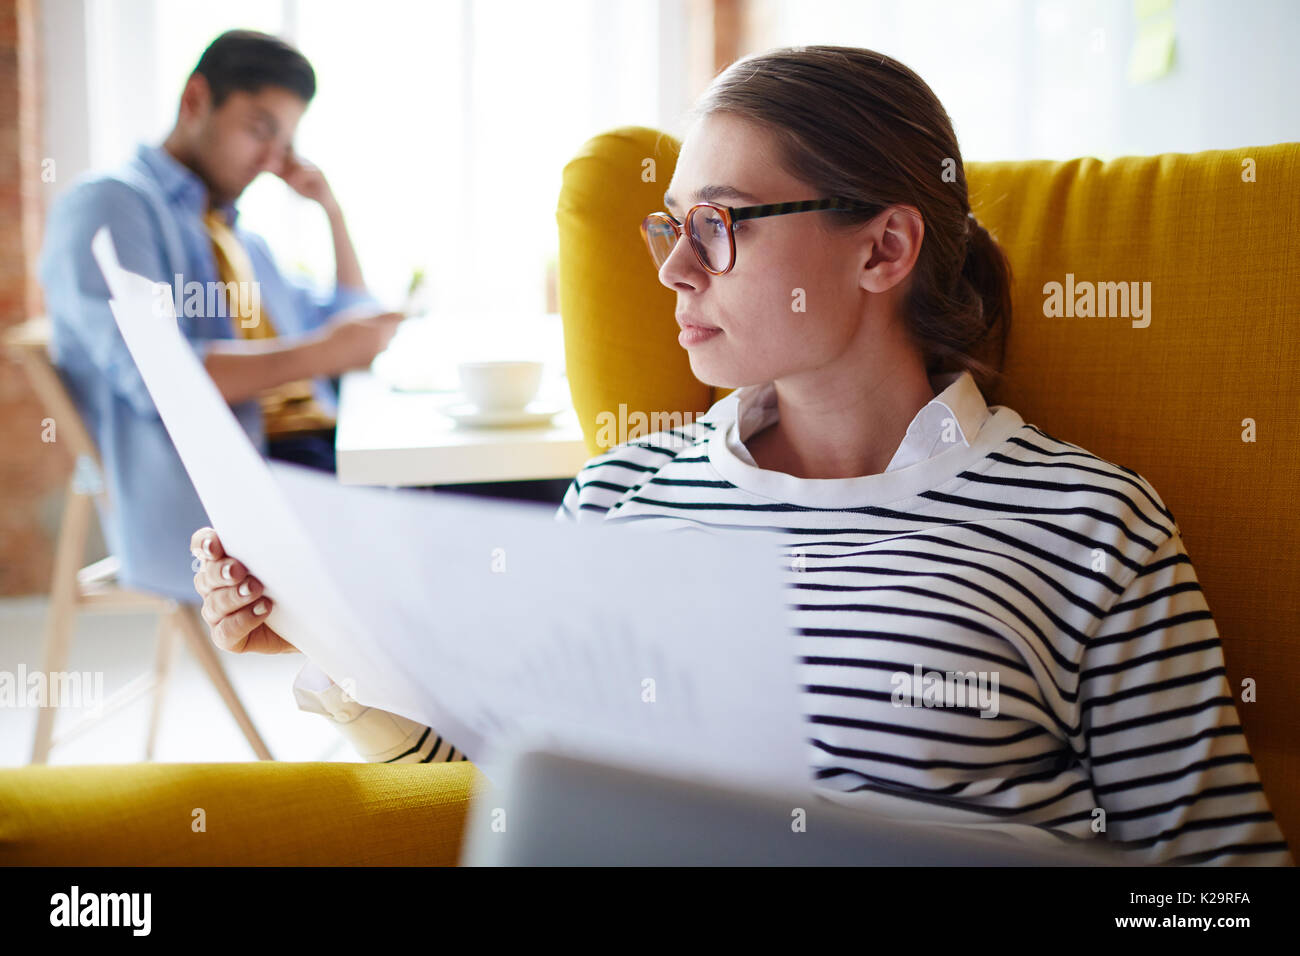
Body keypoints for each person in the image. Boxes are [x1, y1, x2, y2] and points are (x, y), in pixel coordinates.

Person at [191, 46, 1292, 865]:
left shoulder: (1090, 523)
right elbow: (511, 786)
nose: (673, 272)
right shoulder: (620, 494)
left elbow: (1214, 874)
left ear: (883, 246)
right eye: (671, 228)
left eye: (716, 225)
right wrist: (339, 646)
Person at [39, 29, 403, 602]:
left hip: (315, 455)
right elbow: (164, 379)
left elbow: (350, 318)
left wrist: (332, 212)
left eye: (283, 143)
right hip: (242, 492)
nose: (269, 159)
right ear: (195, 101)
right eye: (259, 129)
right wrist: (324, 353)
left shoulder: (240, 238)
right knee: (481, 509)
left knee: (509, 490)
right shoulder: (110, 206)